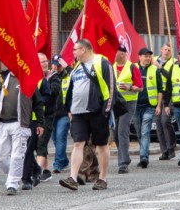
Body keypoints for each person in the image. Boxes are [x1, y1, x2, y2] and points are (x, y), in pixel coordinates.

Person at [59, 38, 115, 191]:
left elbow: (111, 88)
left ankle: (102, 178)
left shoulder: (102, 62)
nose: (73, 53)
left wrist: (106, 110)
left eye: (75, 49)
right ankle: (73, 178)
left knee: (101, 145)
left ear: (83, 49)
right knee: (78, 144)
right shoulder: (77, 66)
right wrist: (69, 109)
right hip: (78, 112)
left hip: (97, 111)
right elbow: (72, 88)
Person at [0, 66, 43, 195]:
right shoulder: (2, 77)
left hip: (20, 124)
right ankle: (16, 174)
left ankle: (12, 184)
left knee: (16, 156)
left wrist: (40, 123)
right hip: (2, 123)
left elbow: (38, 103)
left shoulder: (28, 80)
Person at [112, 46, 142, 174]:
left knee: (122, 131)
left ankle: (123, 163)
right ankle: (125, 156)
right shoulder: (111, 66)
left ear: (122, 54)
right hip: (115, 104)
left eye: (115, 52)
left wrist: (129, 87)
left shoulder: (132, 67)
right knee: (115, 134)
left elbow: (140, 87)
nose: (113, 54)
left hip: (128, 103)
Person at [21, 56, 49, 190]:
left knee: (27, 150)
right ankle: (36, 169)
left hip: (32, 120)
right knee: (21, 150)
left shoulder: (34, 80)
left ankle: (26, 179)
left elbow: (40, 102)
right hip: (16, 120)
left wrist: (40, 123)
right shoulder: (9, 79)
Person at [133, 47, 162, 169]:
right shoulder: (133, 68)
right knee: (139, 132)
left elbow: (160, 90)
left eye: (150, 56)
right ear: (139, 57)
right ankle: (143, 154)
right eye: (145, 56)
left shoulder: (155, 70)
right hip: (135, 106)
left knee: (145, 132)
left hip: (149, 106)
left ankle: (144, 157)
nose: (148, 58)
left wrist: (158, 106)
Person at [35, 54, 61, 183]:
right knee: (35, 144)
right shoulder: (33, 77)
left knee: (41, 143)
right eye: (41, 62)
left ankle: (38, 172)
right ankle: (44, 170)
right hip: (34, 117)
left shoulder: (53, 77)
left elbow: (52, 93)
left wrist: (38, 99)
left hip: (47, 116)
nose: (44, 63)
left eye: (45, 61)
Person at [155, 44, 177, 160]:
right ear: (161, 50)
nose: (167, 52)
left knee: (165, 121)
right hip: (156, 96)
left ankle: (171, 147)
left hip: (168, 95)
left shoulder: (174, 63)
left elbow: (171, 77)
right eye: (165, 50)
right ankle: (164, 151)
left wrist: (160, 68)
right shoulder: (153, 60)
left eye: (169, 50)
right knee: (158, 124)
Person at [50, 55, 71, 174]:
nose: (57, 67)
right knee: (55, 139)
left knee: (60, 137)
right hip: (52, 113)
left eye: (59, 65)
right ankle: (64, 160)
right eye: (55, 65)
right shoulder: (50, 76)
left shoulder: (68, 75)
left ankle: (57, 164)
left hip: (64, 113)